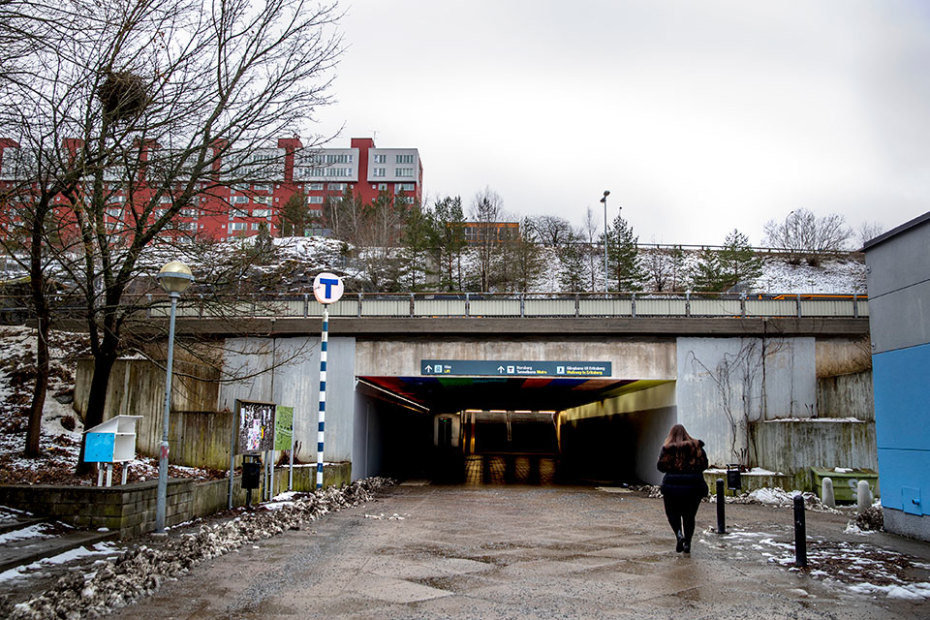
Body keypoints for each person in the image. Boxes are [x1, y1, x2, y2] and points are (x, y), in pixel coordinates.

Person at [657, 424, 709, 554]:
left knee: (672, 514)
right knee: (689, 516)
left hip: (672, 488)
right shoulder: (696, 447)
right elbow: (704, 465)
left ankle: (679, 535)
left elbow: (661, 467)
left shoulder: (667, 449)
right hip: (693, 487)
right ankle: (688, 544)